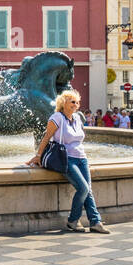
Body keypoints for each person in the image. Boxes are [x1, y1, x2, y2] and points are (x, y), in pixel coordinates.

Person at [28, 89, 110, 234]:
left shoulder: (78, 118)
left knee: (88, 190)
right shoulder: (57, 117)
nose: (76, 105)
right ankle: (73, 220)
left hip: (82, 158)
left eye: (77, 102)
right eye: (73, 102)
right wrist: (38, 155)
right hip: (66, 158)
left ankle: (95, 222)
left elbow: (78, 139)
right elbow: (46, 137)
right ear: (63, 103)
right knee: (84, 189)